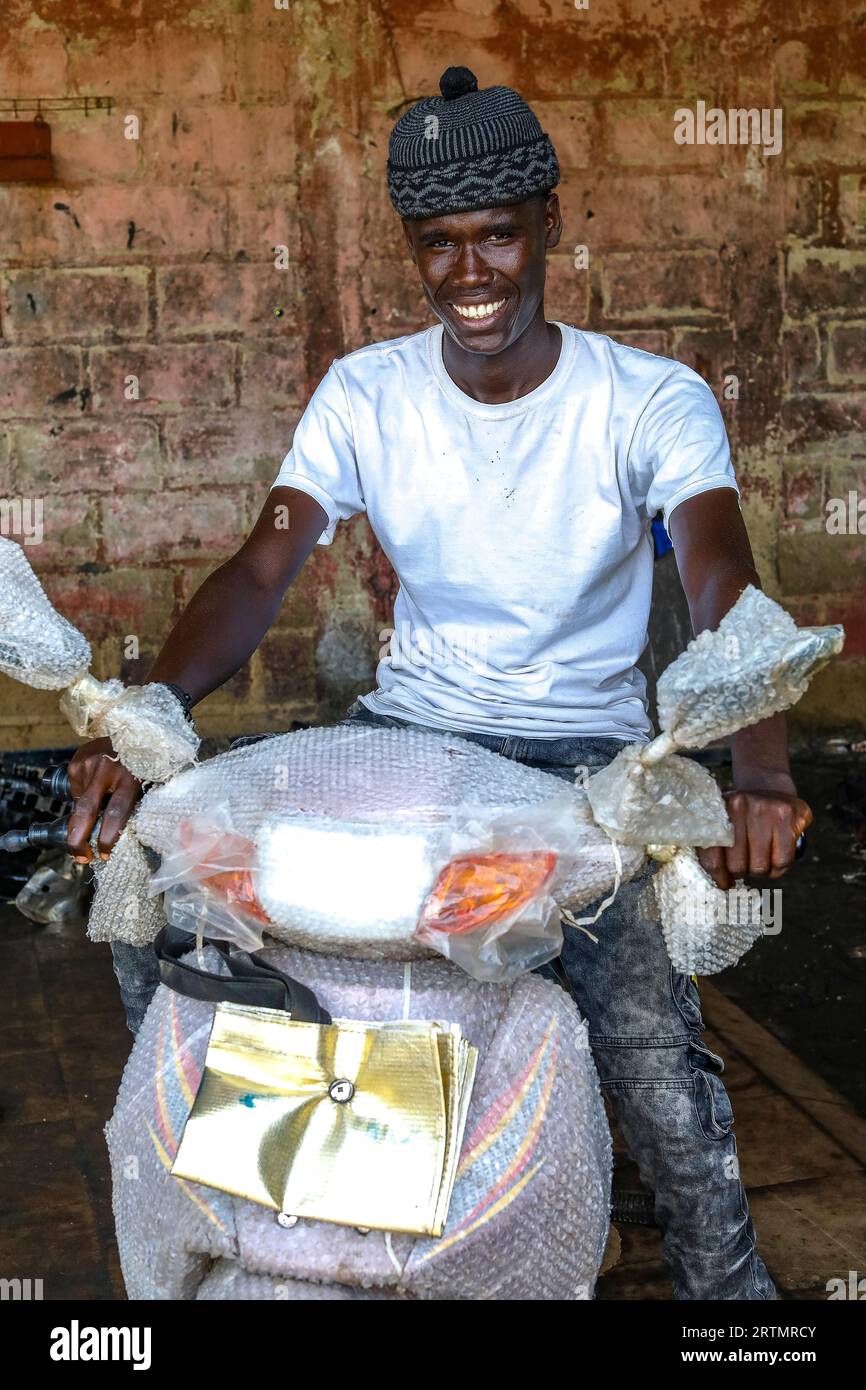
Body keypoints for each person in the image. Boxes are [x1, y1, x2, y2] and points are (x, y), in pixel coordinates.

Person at [68, 66, 810, 1300]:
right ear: (415, 249)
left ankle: (731, 1304)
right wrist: (148, 712)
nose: (471, 274)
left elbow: (723, 583)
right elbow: (260, 571)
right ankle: (264, 1226)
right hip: (406, 741)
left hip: (584, 767)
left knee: (653, 1068)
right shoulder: (367, 392)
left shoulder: (650, 402)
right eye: (439, 243)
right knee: (176, 888)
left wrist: (760, 764)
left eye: (497, 237)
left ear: (546, 231)